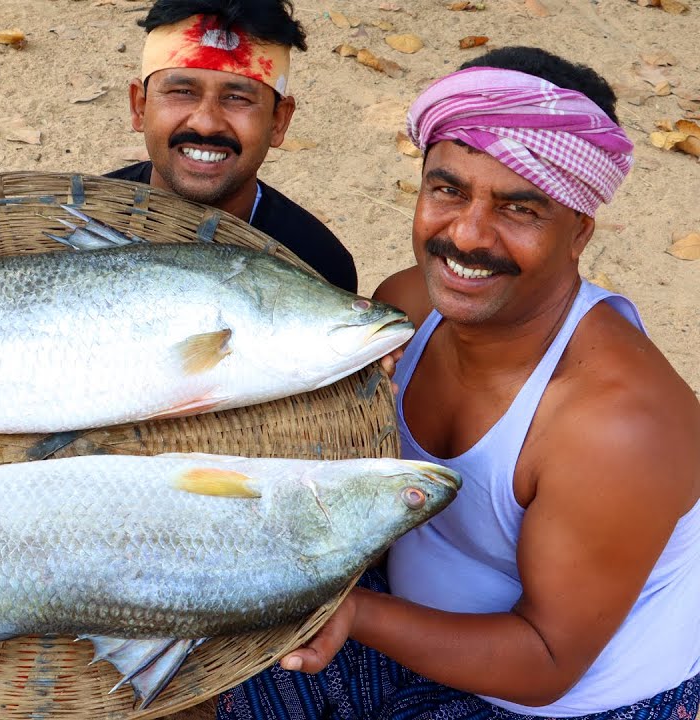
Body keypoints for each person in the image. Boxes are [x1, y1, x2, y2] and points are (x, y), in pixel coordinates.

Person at [215, 47, 700, 719]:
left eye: (519, 208)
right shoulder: (407, 307)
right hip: (400, 620)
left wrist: (357, 615)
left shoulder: (618, 426)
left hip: (559, 701)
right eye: (448, 189)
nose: (467, 236)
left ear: (579, 230)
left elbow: (547, 661)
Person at [105, 0, 357, 293]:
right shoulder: (78, 224)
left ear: (278, 121)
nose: (206, 123)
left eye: (237, 98)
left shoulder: (316, 264)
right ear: (140, 106)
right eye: (183, 92)